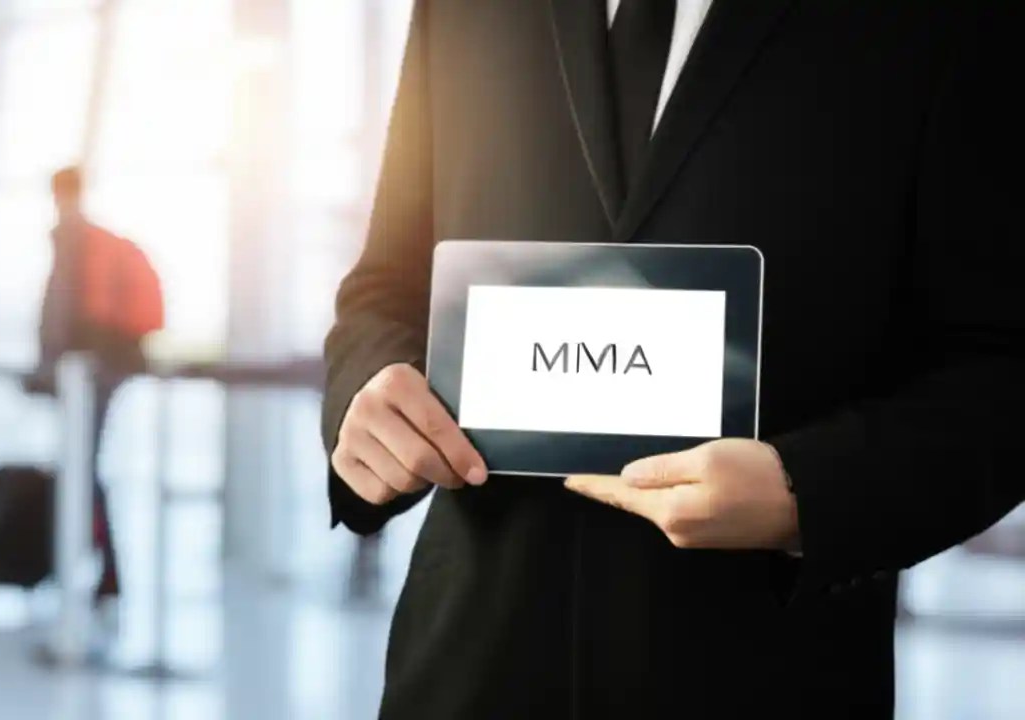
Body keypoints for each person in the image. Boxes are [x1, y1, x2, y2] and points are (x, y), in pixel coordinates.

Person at [322, 3, 1024, 718]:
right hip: (467, 667)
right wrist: (366, 393)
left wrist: (811, 493)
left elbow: (1000, 365)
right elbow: (387, 286)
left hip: (765, 679)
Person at [31, 166, 150, 600]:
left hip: (86, 369)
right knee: (83, 465)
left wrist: (47, 363)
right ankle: (94, 563)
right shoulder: (91, 239)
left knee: (82, 466)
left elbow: (61, 311)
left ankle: (102, 567)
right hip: (102, 365)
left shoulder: (72, 240)